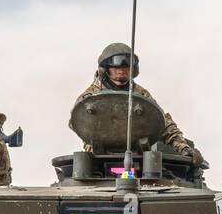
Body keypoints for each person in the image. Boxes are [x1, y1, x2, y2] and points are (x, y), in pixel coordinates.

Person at [73, 42, 206, 175]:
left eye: (126, 66)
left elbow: (163, 124)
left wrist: (184, 148)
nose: (122, 70)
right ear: (105, 69)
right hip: (97, 162)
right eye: (116, 66)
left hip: (139, 161)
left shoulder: (140, 95)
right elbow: (76, 122)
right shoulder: (90, 97)